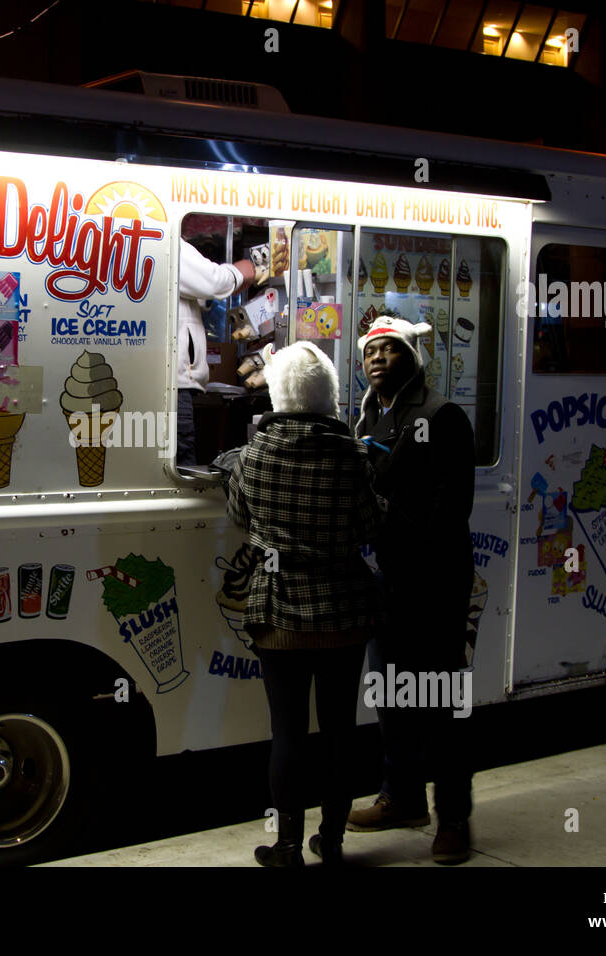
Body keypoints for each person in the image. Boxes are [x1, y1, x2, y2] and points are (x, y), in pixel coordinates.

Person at [223, 340, 384, 866]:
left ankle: (288, 844)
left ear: (278, 392)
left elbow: (241, 518)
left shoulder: (253, 457)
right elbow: (369, 525)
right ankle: (332, 841)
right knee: (340, 730)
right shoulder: (355, 457)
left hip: (279, 615)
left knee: (287, 731)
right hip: (344, 613)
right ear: (330, 397)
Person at [347, 315, 476, 865]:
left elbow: (453, 509)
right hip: (387, 582)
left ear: (413, 356)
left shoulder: (441, 414)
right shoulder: (367, 414)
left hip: (434, 583)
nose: (376, 359)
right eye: (370, 352)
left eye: (390, 351)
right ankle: (401, 798)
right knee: (393, 697)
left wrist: (391, 527)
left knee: (442, 704)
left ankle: (454, 821)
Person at [176, 240, 256, 465]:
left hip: (170, 383)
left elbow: (196, 291)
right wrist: (239, 272)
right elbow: (211, 281)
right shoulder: (162, 233)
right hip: (175, 385)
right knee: (180, 461)